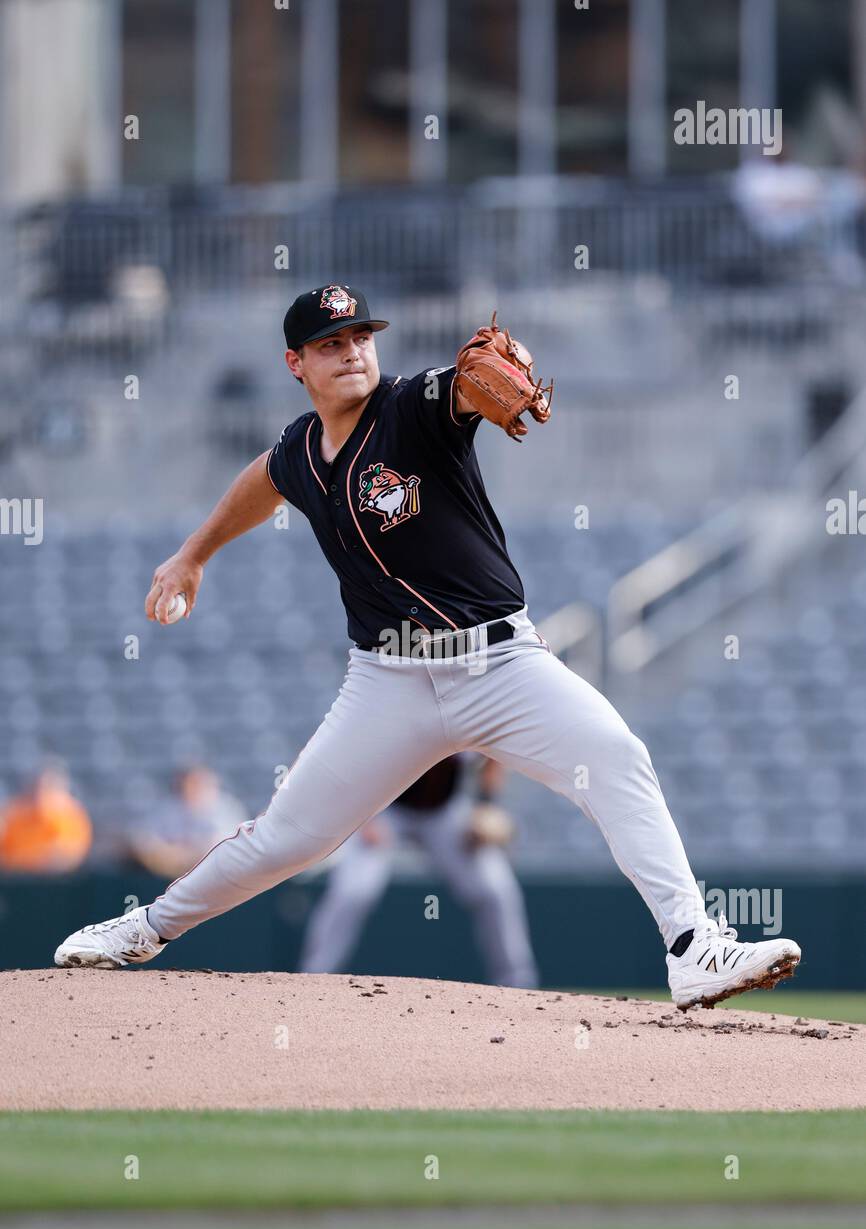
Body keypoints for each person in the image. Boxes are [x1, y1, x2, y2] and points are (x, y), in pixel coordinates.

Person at [55, 283, 801, 1010]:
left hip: (501, 665)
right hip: (388, 683)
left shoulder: (413, 406)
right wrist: (194, 553)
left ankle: (694, 951)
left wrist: (484, 389)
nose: (351, 352)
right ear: (297, 364)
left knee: (615, 755)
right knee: (288, 837)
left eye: (359, 337)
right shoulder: (300, 450)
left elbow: (462, 389)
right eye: (330, 343)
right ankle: (144, 930)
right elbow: (265, 478)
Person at [298, 754, 539, 988]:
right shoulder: (394, 715)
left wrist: (486, 806)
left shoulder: (465, 716)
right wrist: (363, 817)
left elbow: (493, 754)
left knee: (495, 889)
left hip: (444, 811)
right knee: (355, 890)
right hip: (384, 807)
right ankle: (312, 977)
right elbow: (353, 756)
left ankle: (518, 986)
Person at [127, 766, 247, 880]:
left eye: (199, 784)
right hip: (168, 877)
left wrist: (186, 855)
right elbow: (145, 842)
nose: (193, 788)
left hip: (216, 877)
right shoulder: (168, 808)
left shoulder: (226, 807)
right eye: (189, 784)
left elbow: (226, 847)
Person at [0, 765, 92, 874]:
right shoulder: (15, 815)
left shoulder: (70, 818)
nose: (41, 795)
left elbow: (66, 856)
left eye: (48, 788)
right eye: (37, 788)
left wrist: (31, 861)